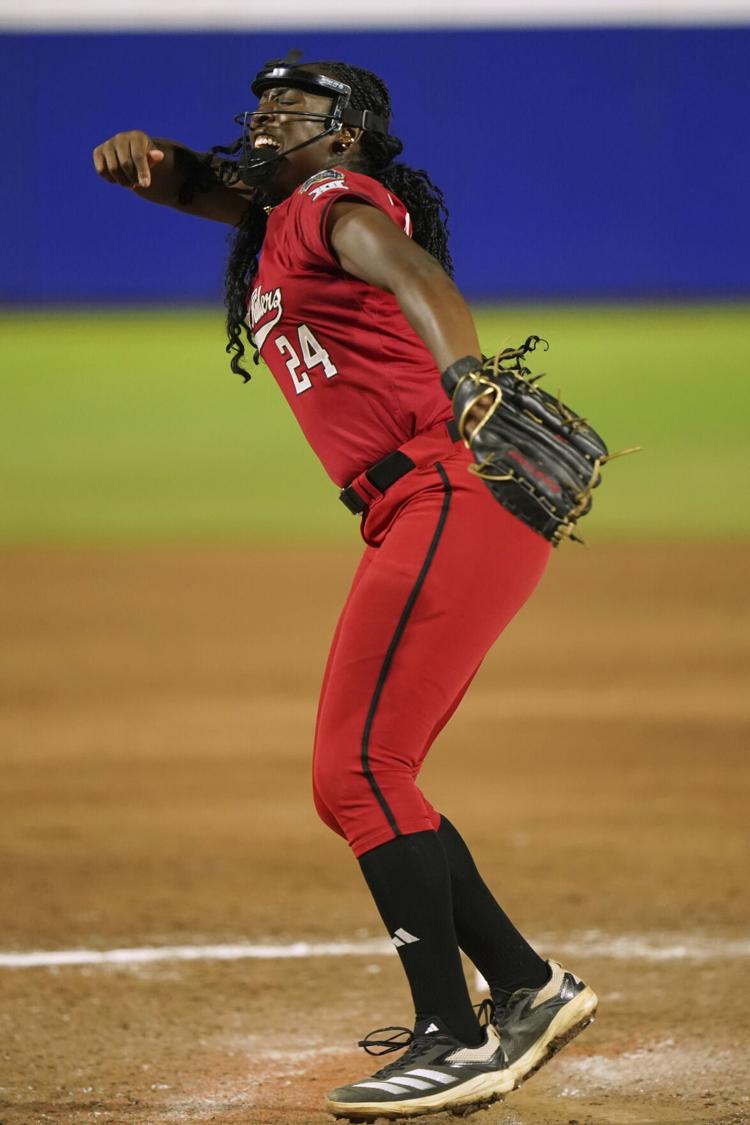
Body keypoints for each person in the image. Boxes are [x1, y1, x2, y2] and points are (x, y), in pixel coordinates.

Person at [92, 56, 598, 1121]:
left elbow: (417, 278)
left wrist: (463, 370)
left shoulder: (335, 202)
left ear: (349, 136)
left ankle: (456, 1041)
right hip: (418, 506)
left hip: (448, 490)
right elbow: (202, 188)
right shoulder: (280, 216)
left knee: (358, 771)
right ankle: (525, 987)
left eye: (297, 109)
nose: (270, 119)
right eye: (263, 105)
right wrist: (159, 165)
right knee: (373, 770)